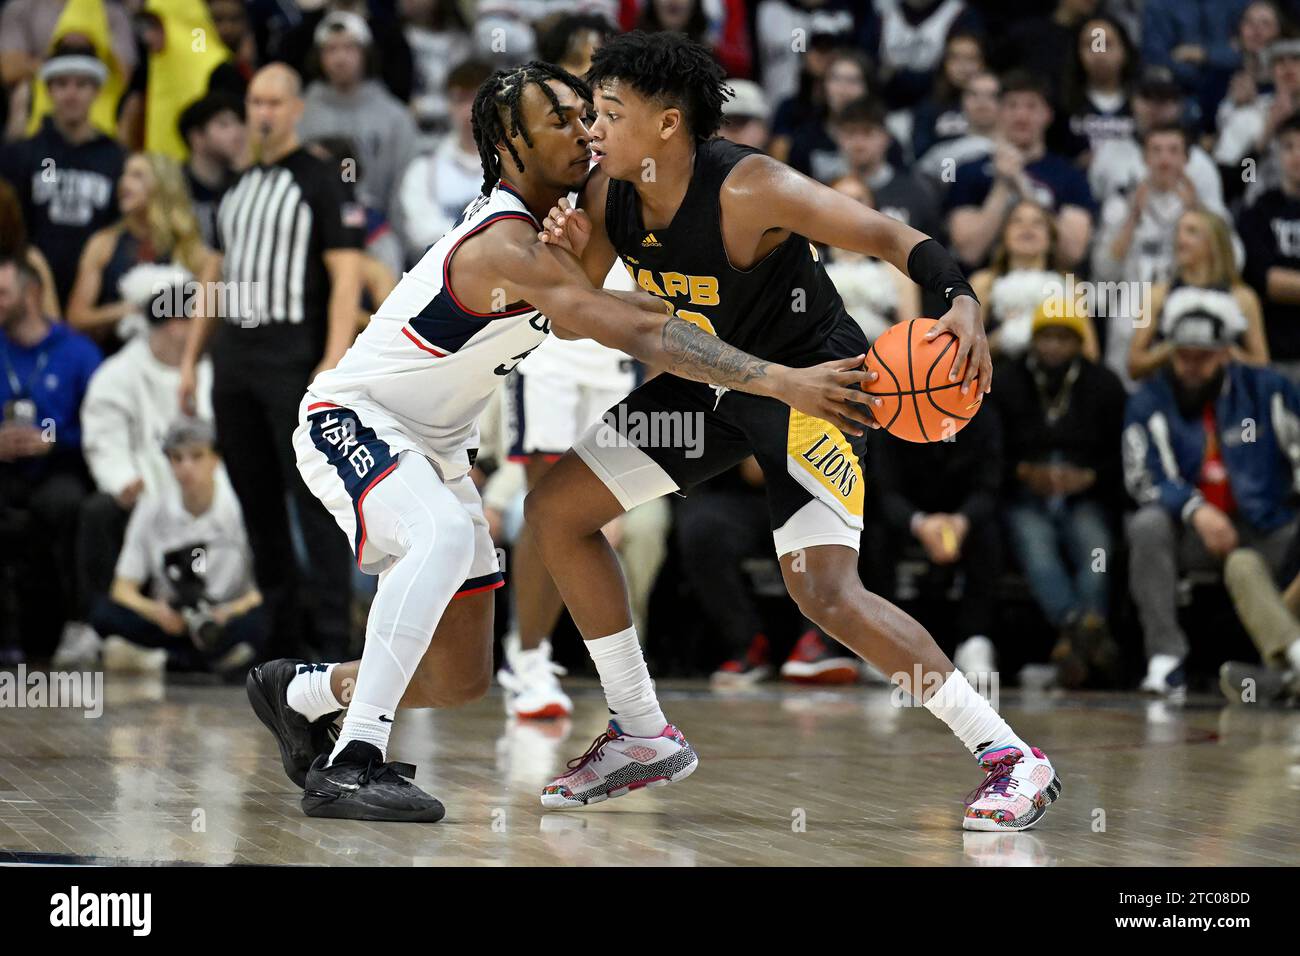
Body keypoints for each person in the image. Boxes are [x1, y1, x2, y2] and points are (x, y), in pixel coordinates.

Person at [243, 60, 867, 822]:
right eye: (561, 122)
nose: (585, 132)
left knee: (458, 675)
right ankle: (354, 760)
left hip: (438, 445)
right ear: (509, 143)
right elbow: (632, 325)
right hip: (354, 414)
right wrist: (776, 379)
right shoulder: (504, 240)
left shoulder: (564, 226)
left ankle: (303, 691)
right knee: (436, 537)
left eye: (586, 115)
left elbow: (621, 301)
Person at [529, 31, 1060, 830]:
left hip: (817, 387)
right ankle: (641, 731)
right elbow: (583, 328)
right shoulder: (609, 196)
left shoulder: (752, 188)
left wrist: (962, 299)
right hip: (710, 378)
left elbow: (888, 235)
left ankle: (1011, 755)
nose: (592, 130)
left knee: (825, 594)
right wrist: (569, 270)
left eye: (609, 112)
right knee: (556, 513)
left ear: (669, 125)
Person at [179, 64, 365, 665]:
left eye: (273, 102)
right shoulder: (235, 185)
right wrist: (190, 361)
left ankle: (333, 644)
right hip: (234, 357)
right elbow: (213, 273)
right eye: (254, 102)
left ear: (295, 108)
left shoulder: (318, 179)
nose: (262, 113)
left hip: (292, 355)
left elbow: (347, 274)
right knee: (256, 503)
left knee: (312, 502)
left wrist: (331, 359)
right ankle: (281, 645)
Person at [1123, 292, 1300, 698]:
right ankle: (1165, 658)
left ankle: (1280, 668)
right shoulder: (1150, 399)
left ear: (1225, 353)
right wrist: (1195, 509)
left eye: (1203, 357)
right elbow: (1142, 477)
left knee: (1245, 564)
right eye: (1182, 355)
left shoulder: (1269, 391)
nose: (1191, 367)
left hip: (1268, 525)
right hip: (1193, 535)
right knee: (1146, 524)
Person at [73, 269, 216, 667]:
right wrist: (121, 479)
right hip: (140, 498)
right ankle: (98, 628)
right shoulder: (117, 374)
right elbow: (103, 439)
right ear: (173, 323)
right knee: (98, 511)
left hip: (202, 501)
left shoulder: (210, 371)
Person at [991, 299, 1126, 688]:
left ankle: (1074, 640)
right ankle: (1085, 632)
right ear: (1033, 340)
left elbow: (1122, 453)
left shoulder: (1104, 384)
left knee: (1096, 547)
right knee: (1036, 547)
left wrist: (1090, 478)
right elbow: (990, 450)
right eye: (1045, 337)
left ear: (1079, 342)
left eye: (1063, 338)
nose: (1053, 347)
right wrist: (1021, 471)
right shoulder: (1007, 381)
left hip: (1085, 492)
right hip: (1024, 492)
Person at [90, 417, 264, 676]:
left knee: (264, 623)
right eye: (177, 458)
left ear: (216, 459)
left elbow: (260, 592)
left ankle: (171, 660)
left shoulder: (239, 510)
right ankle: (202, 661)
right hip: (170, 618)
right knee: (102, 613)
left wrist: (226, 612)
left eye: (197, 456)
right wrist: (155, 612)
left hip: (223, 616)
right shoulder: (152, 507)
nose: (187, 467)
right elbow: (122, 588)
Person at [0, 255, 100, 662]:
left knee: (66, 505)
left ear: (33, 293)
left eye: (3, 293)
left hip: (60, 467)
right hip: (4, 471)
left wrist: (53, 439)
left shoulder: (77, 351)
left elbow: (101, 426)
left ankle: (75, 626)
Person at [0, 47, 126, 308]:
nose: (71, 94)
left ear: (97, 91)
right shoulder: (22, 154)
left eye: (81, 84)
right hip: (30, 293)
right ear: (48, 90)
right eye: (61, 84)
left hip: (96, 296)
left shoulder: (117, 159)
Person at [945, 70, 1094, 270]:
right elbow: (970, 252)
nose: (1021, 115)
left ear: (1047, 115)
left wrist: (1022, 185)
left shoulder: (1069, 176)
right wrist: (1002, 186)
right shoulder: (968, 172)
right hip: (982, 290)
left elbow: (1072, 254)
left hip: (1049, 290)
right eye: (1012, 105)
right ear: (998, 112)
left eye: (1031, 106)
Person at [66, 153, 215, 350]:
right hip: (115, 357)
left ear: (162, 186)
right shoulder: (103, 243)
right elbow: (76, 318)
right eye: (124, 175)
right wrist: (126, 311)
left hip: (173, 357)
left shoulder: (190, 248)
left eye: (137, 176)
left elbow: (210, 312)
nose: (123, 183)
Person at [297, 10, 420, 228]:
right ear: (318, 56)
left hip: (377, 230)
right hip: (311, 229)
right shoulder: (300, 112)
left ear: (366, 53)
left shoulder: (395, 117)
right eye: (331, 49)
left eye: (349, 47)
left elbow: (404, 188)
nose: (340, 58)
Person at [1126, 209, 1268, 386]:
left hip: (1227, 401)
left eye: (1191, 232)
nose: (1180, 240)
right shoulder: (1156, 296)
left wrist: (1229, 353)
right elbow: (1133, 365)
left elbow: (1263, 367)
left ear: (1213, 243)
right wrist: (1175, 347)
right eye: (1178, 231)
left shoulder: (1243, 298)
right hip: (1171, 400)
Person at [969, 199, 1099, 361]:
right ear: (1004, 235)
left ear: (1051, 238)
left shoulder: (1071, 285)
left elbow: (1090, 353)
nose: (1027, 228)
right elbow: (966, 351)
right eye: (1017, 221)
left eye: (1037, 223)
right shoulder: (984, 282)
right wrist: (1004, 337)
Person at [396, 59, 493, 264]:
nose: (469, 110)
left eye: (477, 99)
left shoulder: (517, 166)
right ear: (448, 105)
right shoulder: (423, 168)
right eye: (460, 100)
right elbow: (420, 233)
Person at [1237, 111, 1300, 384]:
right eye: (1289, 147)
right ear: (1277, 155)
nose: (1298, 155)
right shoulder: (1259, 211)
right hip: (1277, 357)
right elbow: (1265, 281)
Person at [178, 92, 247, 251]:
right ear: (197, 138)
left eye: (239, 123)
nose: (237, 133)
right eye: (224, 125)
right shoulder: (173, 187)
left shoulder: (242, 185)